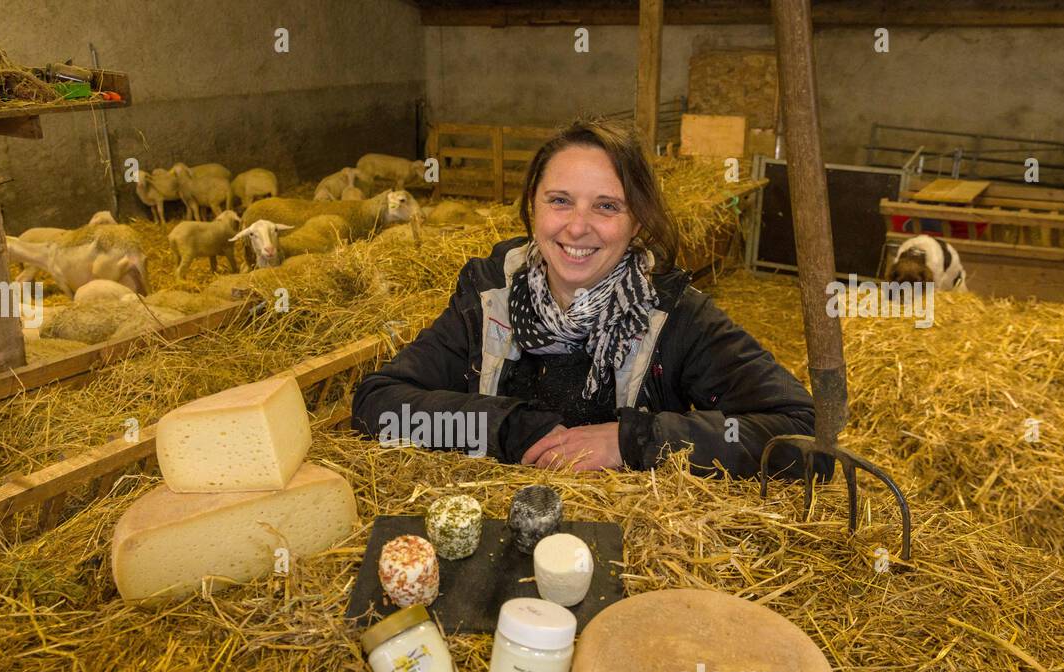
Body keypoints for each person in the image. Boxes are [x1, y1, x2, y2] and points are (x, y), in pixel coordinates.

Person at [352, 118, 823, 480]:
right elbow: (381, 404)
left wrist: (633, 442)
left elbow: (804, 433)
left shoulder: (676, 318)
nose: (577, 227)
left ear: (637, 221)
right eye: (559, 200)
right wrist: (509, 428)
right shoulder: (489, 297)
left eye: (606, 206)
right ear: (532, 206)